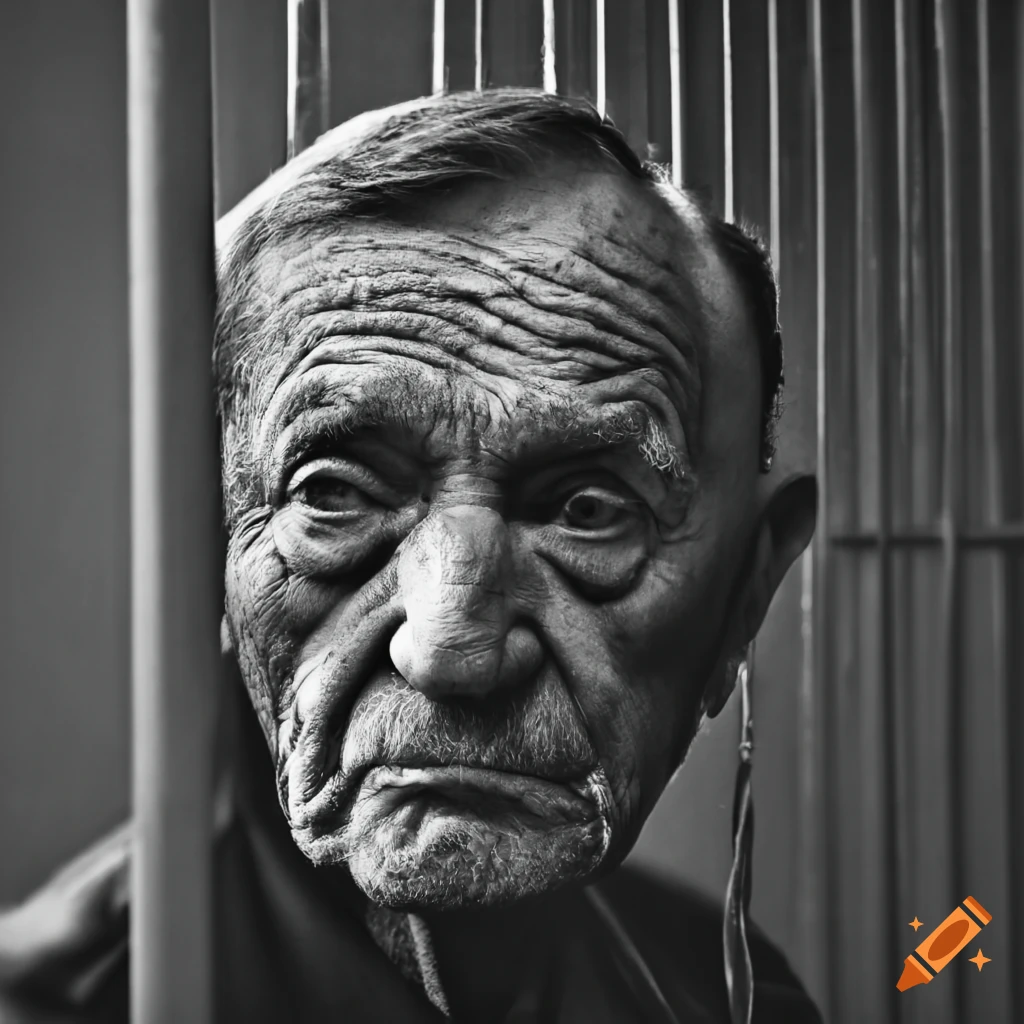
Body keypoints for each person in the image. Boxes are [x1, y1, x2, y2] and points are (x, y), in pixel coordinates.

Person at [0, 90, 820, 1023]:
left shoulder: (733, 1000)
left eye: (589, 510)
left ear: (746, 596)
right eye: (333, 495)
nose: (448, 648)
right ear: (208, 547)